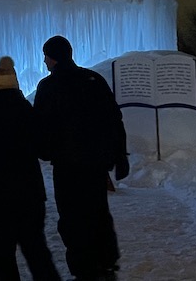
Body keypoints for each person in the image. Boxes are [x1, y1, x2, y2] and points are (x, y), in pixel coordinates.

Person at [34, 35, 130, 281]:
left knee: (72, 217)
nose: (44, 61)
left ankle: (83, 268)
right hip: (95, 163)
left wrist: (43, 151)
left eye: (46, 56)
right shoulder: (93, 80)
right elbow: (113, 119)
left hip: (67, 165)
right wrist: (119, 155)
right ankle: (106, 263)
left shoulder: (48, 86)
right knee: (98, 211)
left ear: (52, 57)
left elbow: (41, 127)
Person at [0, 56, 61, 281]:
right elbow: (45, 151)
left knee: (2, 254)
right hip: (30, 192)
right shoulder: (30, 115)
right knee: (36, 250)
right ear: (16, 86)